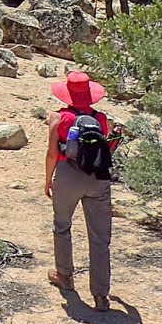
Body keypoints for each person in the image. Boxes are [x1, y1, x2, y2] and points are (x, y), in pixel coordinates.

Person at [45, 70, 118, 311]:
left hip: (68, 175)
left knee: (62, 225)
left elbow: (53, 152)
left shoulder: (59, 118)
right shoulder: (101, 119)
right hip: (97, 178)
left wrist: (48, 179)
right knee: (99, 239)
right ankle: (101, 295)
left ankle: (65, 276)